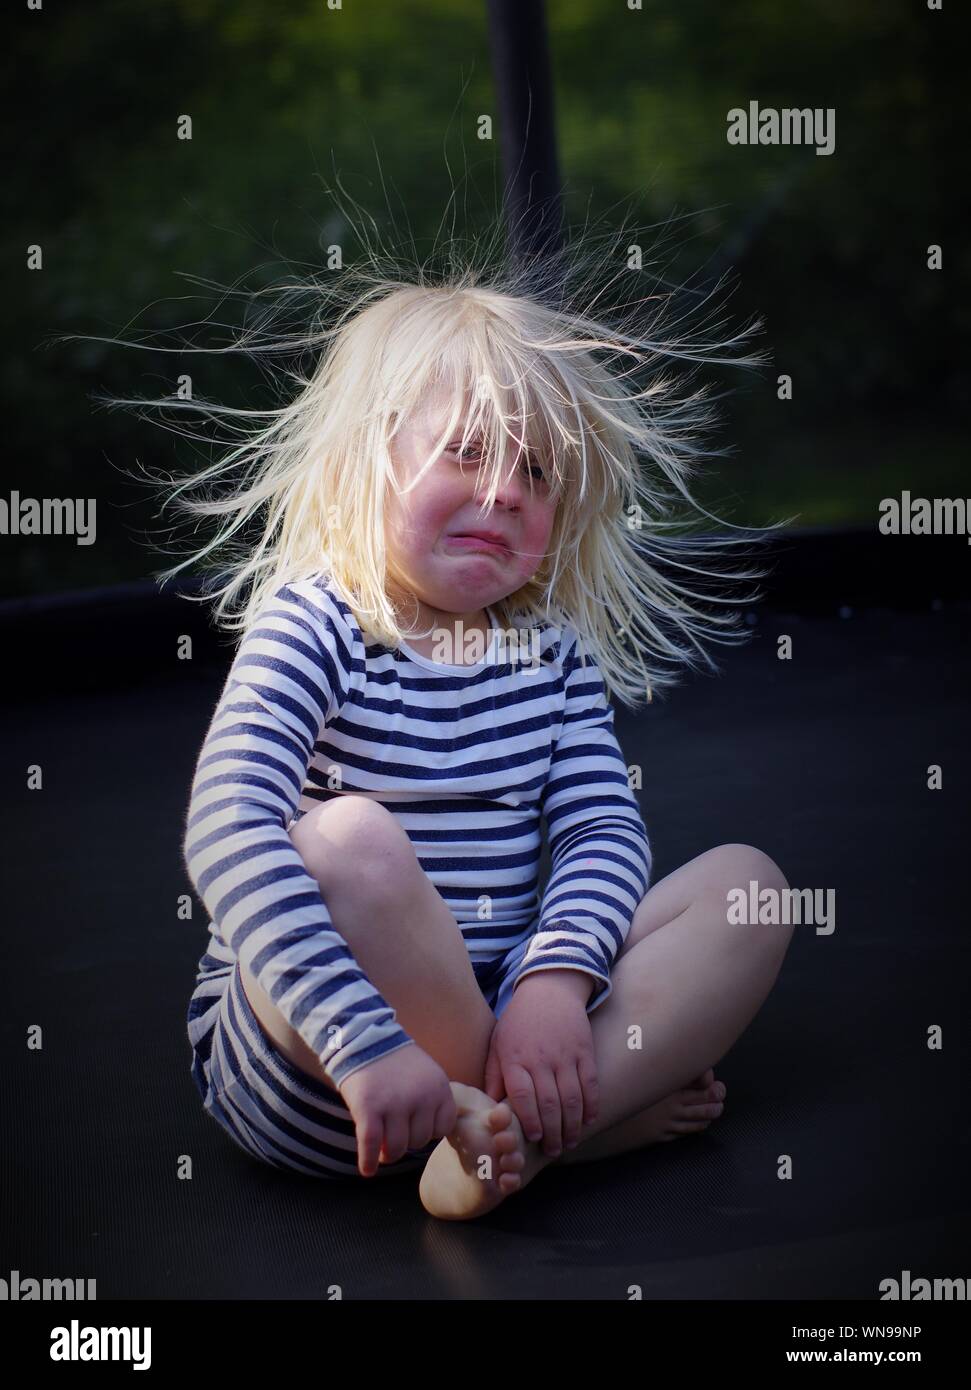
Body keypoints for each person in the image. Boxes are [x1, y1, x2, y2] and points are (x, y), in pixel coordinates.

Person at [166, 251, 794, 1221]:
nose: (504, 489)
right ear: (364, 459)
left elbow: (599, 833)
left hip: (504, 1024)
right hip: (327, 1070)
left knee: (746, 889)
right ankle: (569, 1127)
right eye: (466, 450)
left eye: (536, 472)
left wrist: (554, 976)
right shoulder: (317, 624)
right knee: (344, 843)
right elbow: (225, 827)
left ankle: (514, 1144)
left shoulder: (547, 652)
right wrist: (362, 1040)